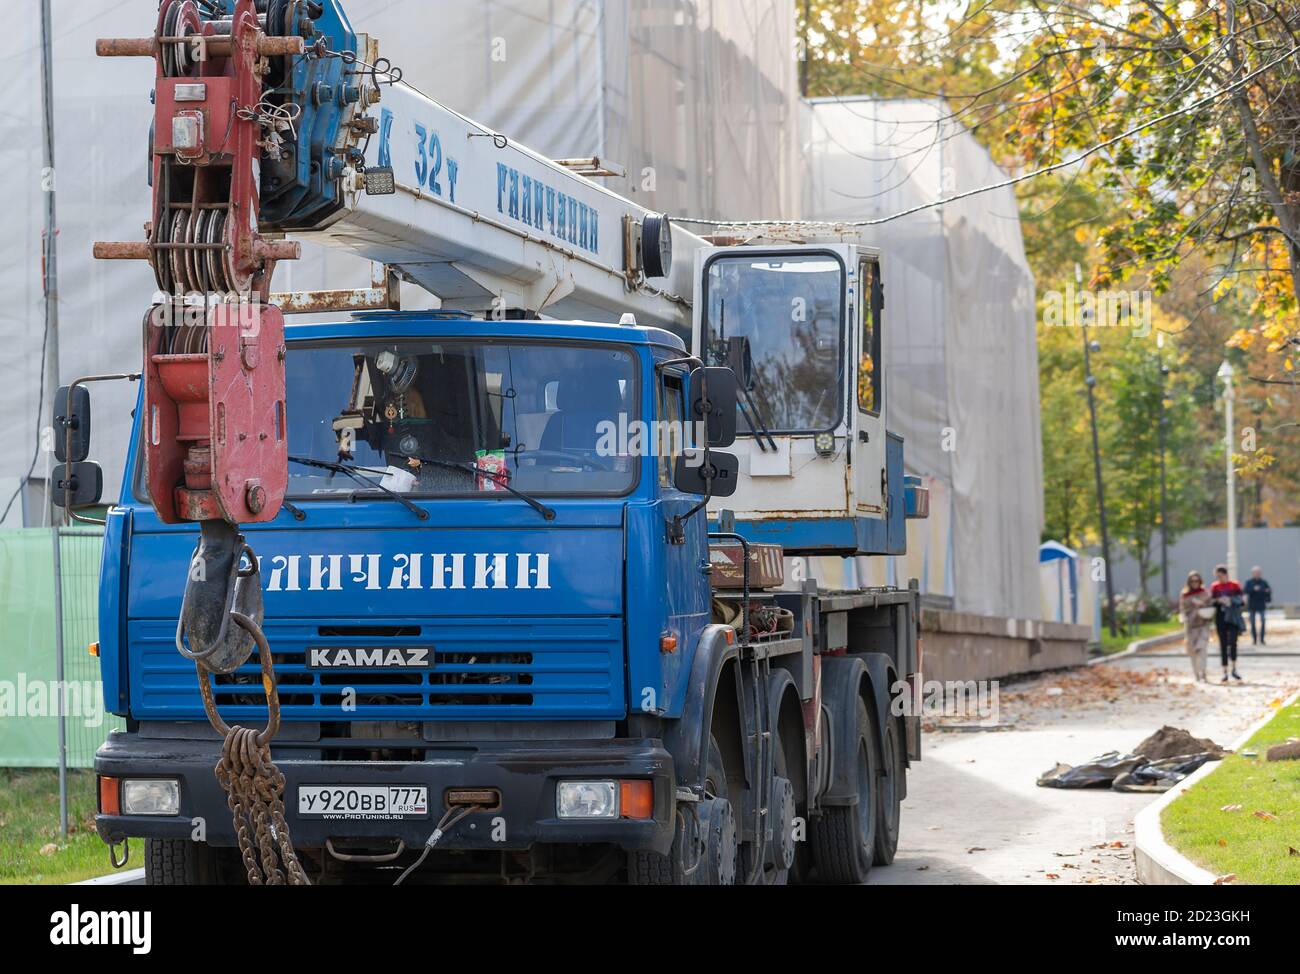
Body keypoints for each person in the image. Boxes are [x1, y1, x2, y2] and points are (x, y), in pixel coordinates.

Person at [1210, 565, 1245, 683]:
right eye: (1217, 576)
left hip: (1233, 618)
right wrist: (1218, 600)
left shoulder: (1234, 585)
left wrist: (1230, 600)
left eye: (1220, 576)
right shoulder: (1215, 586)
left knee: (1233, 643)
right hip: (1220, 617)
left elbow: (1241, 601)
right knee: (1223, 644)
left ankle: (1234, 668)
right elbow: (1211, 602)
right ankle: (1225, 671)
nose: (1218, 578)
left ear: (1225, 574)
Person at [1178, 571, 1212, 682]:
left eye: (1196, 580)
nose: (1194, 583)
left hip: (1202, 625)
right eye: (1192, 581)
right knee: (1193, 651)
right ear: (1189, 582)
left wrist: (1201, 604)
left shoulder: (1205, 593)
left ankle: (1204, 672)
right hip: (1190, 626)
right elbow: (1182, 609)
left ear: (1200, 581)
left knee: (1202, 649)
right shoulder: (1184, 594)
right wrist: (1183, 617)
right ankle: (1196, 673)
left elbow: (1210, 607)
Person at [1243, 566, 1272, 646]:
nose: (1257, 574)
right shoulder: (1249, 582)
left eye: (1258, 573)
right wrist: (1253, 589)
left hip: (1261, 605)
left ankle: (1262, 639)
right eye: (1256, 573)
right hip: (1252, 605)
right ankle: (1254, 639)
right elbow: (1245, 591)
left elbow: (1269, 591)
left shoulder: (1264, 582)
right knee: (1252, 622)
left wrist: (1267, 598)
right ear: (1253, 574)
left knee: (1263, 621)